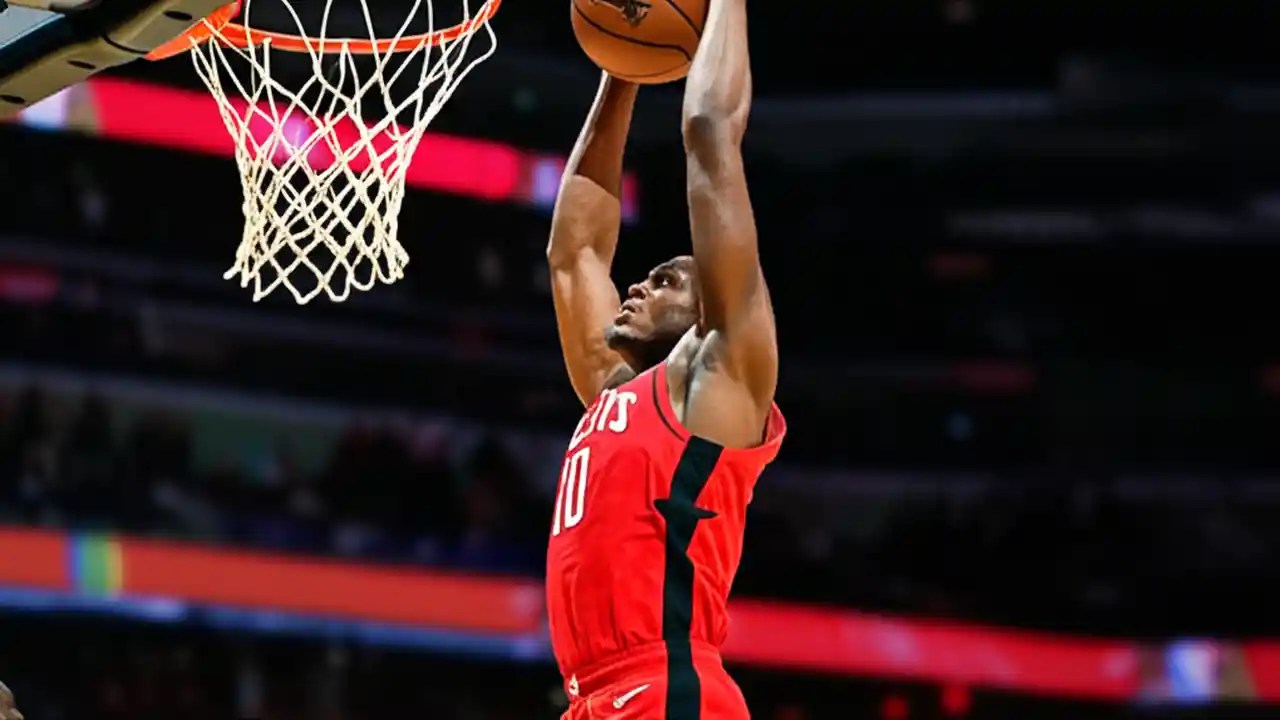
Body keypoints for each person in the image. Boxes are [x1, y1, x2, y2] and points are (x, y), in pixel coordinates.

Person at [544, 0, 782, 715]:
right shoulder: (613, 390)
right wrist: (622, 67)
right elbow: (576, 252)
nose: (640, 284)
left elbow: (711, 134)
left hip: (668, 686)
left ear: (707, 315)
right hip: (596, 696)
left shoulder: (720, 377)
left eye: (669, 280)